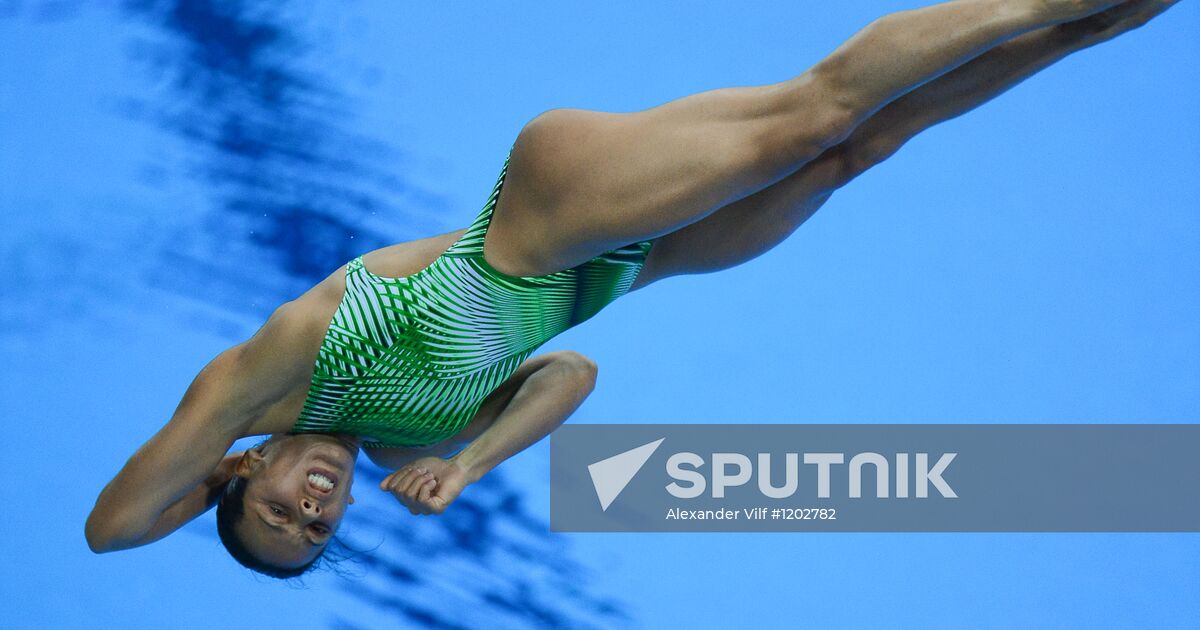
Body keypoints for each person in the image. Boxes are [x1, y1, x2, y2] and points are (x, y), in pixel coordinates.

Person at [85, 0, 1181, 578]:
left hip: (548, 213)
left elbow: (114, 529)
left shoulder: (260, 385)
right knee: (857, 152)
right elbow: (570, 371)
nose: (311, 506)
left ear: (246, 473)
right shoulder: (403, 445)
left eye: (279, 508)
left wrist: (215, 470)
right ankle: (1097, 27)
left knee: (811, 115)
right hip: (628, 265)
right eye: (315, 532)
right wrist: (465, 465)